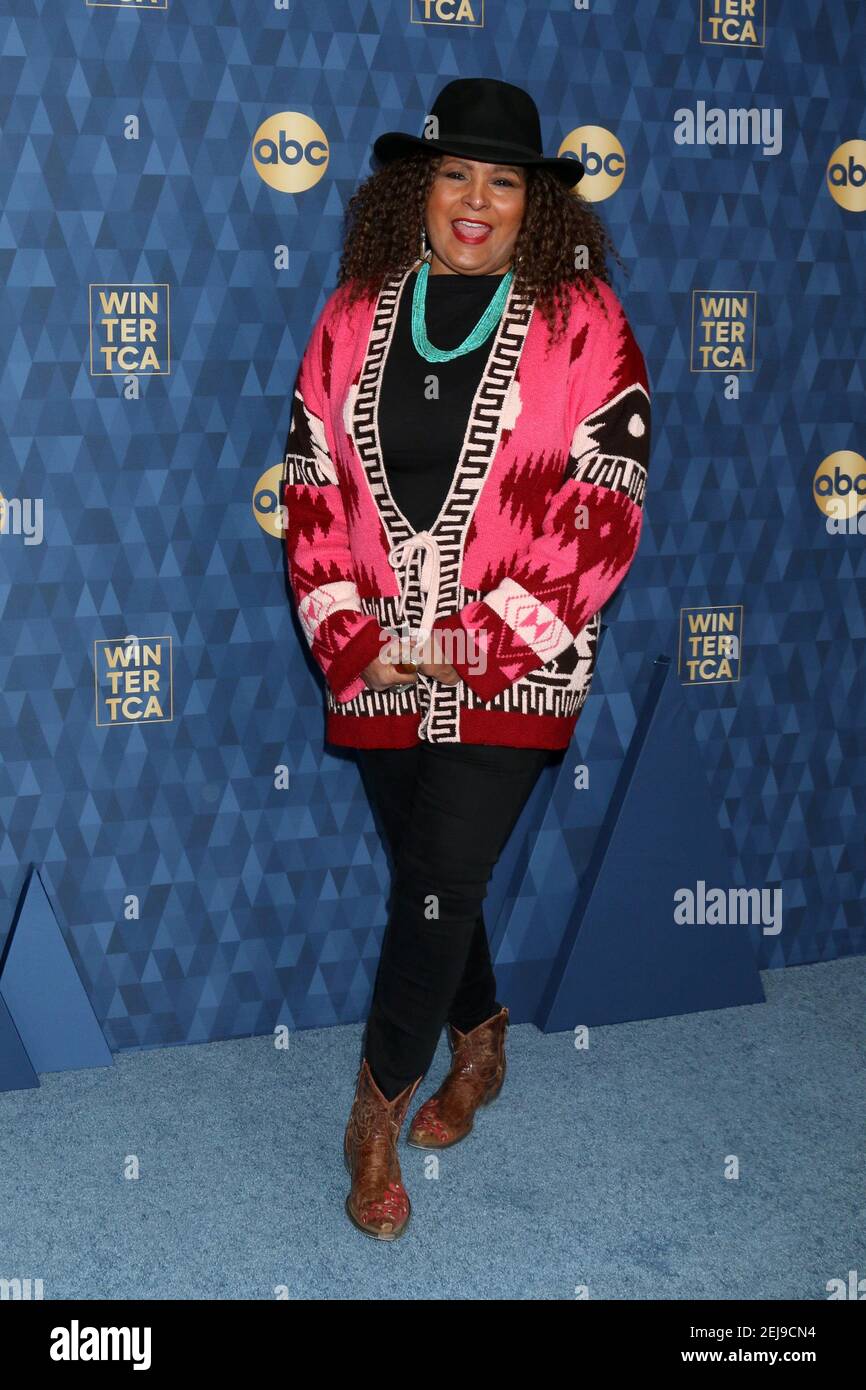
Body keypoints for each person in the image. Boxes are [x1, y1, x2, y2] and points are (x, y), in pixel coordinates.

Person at [281, 77, 652, 1239]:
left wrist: (477, 645)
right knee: (433, 880)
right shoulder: (352, 315)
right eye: (454, 174)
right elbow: (311, 484)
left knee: (437, 876)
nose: (475, 200)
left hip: (517, 665)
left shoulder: (582, 318)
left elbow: (606, 496)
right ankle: (480, 1043)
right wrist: (351, 636)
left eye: (503, 180)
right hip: (379, 662)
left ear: (534, 203)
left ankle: (371, 1114)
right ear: (417, 188)